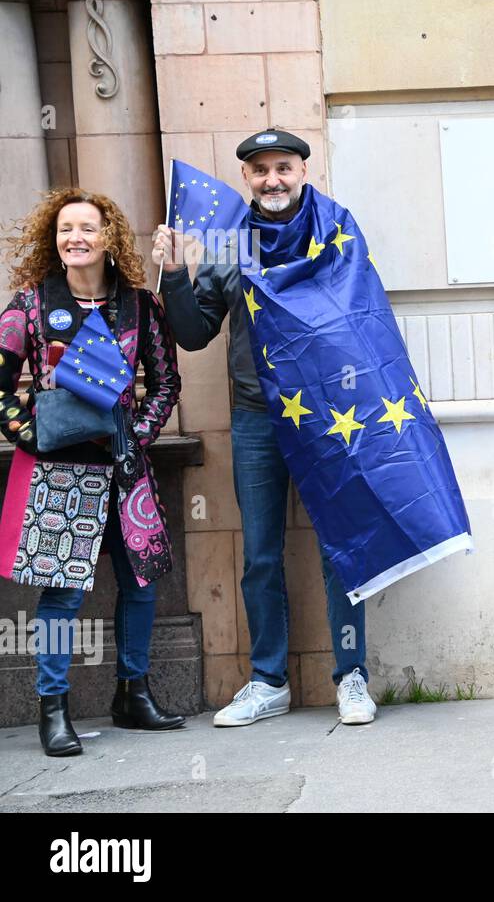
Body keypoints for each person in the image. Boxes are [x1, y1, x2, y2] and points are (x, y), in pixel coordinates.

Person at [153, 129, 375, 726]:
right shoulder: (228, 243)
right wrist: (174, 274)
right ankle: (268, 681)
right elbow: (195, 332)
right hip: (257, 417)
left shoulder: (336, 229)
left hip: (332, 414)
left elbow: (363, 314)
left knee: (340, 549)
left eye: (283, 167)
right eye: (260, 170)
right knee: (259, 554)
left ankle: (351, 675)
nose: (272, 179)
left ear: (304, 170)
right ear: (247, 178)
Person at [0, 188, 184, 756]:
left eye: (87, 228)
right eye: (64, 230)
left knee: (141, 584)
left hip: (128, 473)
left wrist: (138, 437)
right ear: (52, 241)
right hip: (59, 474)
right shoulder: (29, 306)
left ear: (109, 239)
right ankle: (52, 708)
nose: (74, 238)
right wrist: (30, 434)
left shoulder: (138, 306)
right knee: (62, 599)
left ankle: (133, 694)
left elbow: (166, 383)